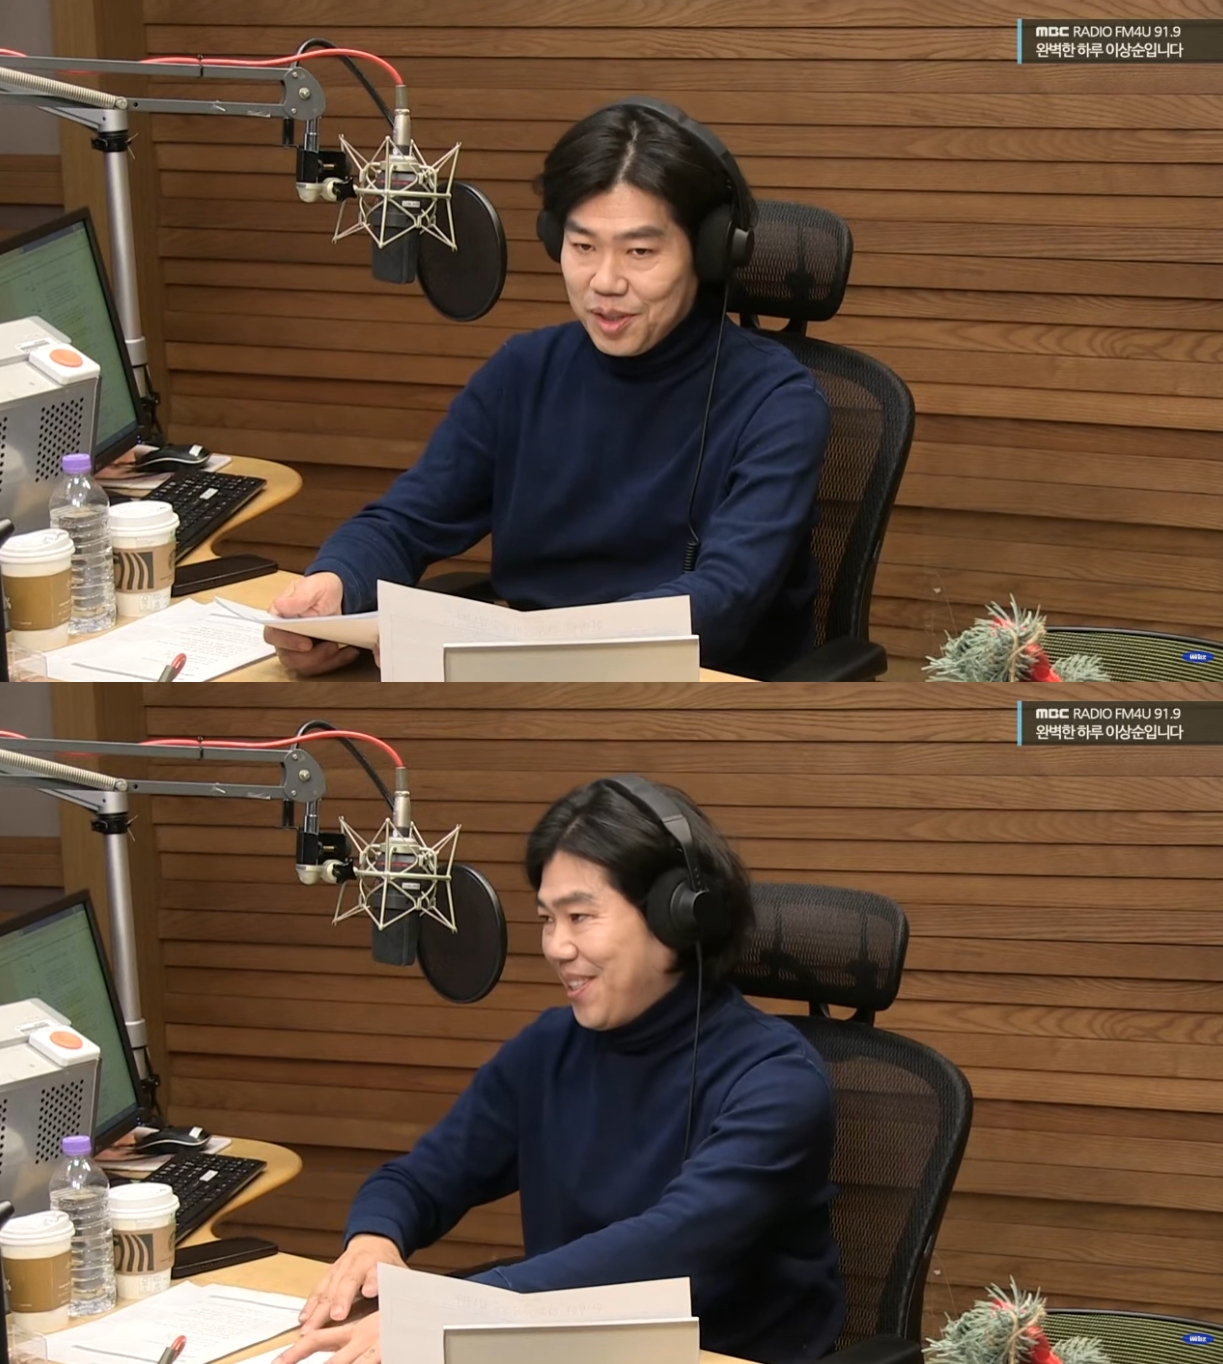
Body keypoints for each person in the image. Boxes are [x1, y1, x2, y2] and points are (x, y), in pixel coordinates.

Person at [274, 777, 845, 1364]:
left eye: (580, 916)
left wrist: (455, 1309)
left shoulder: (778, 1081)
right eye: (548, 919)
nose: (556, 946)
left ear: (678, 919)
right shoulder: (548, 1047)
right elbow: (421, 1178)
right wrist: (375, 1238)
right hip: (573, 1349)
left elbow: (672, 1246)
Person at [265, 99, 829, 681]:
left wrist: (526, 650)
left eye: (640, 251)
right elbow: (405, 521)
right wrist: (336, 584)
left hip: (698, 695)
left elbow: (725, 599)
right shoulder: (523, 371)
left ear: (710, 252)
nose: (604, 282)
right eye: (583, 247)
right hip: (528, 679)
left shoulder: (778, 403)